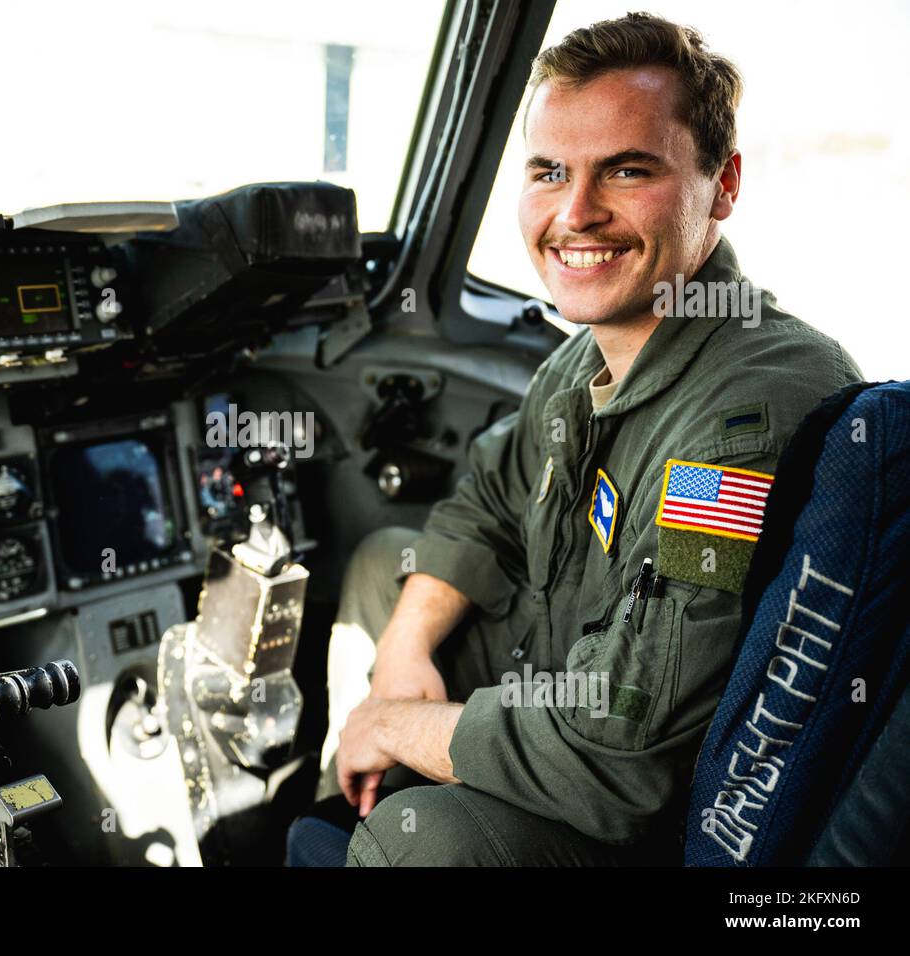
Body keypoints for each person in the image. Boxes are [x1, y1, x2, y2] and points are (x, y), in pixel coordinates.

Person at [316, 12, 863, 866]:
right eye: (549, 171)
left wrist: (395, 723)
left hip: (656, 814)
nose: (575, 213)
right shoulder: (585, 359)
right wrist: (405, 650)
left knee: (422, 846)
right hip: (560, 673)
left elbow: (619, 753)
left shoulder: (748, 419)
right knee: (386, 567)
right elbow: (489, 499)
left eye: (627, 170)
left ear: (723, 185)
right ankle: (337, 814)